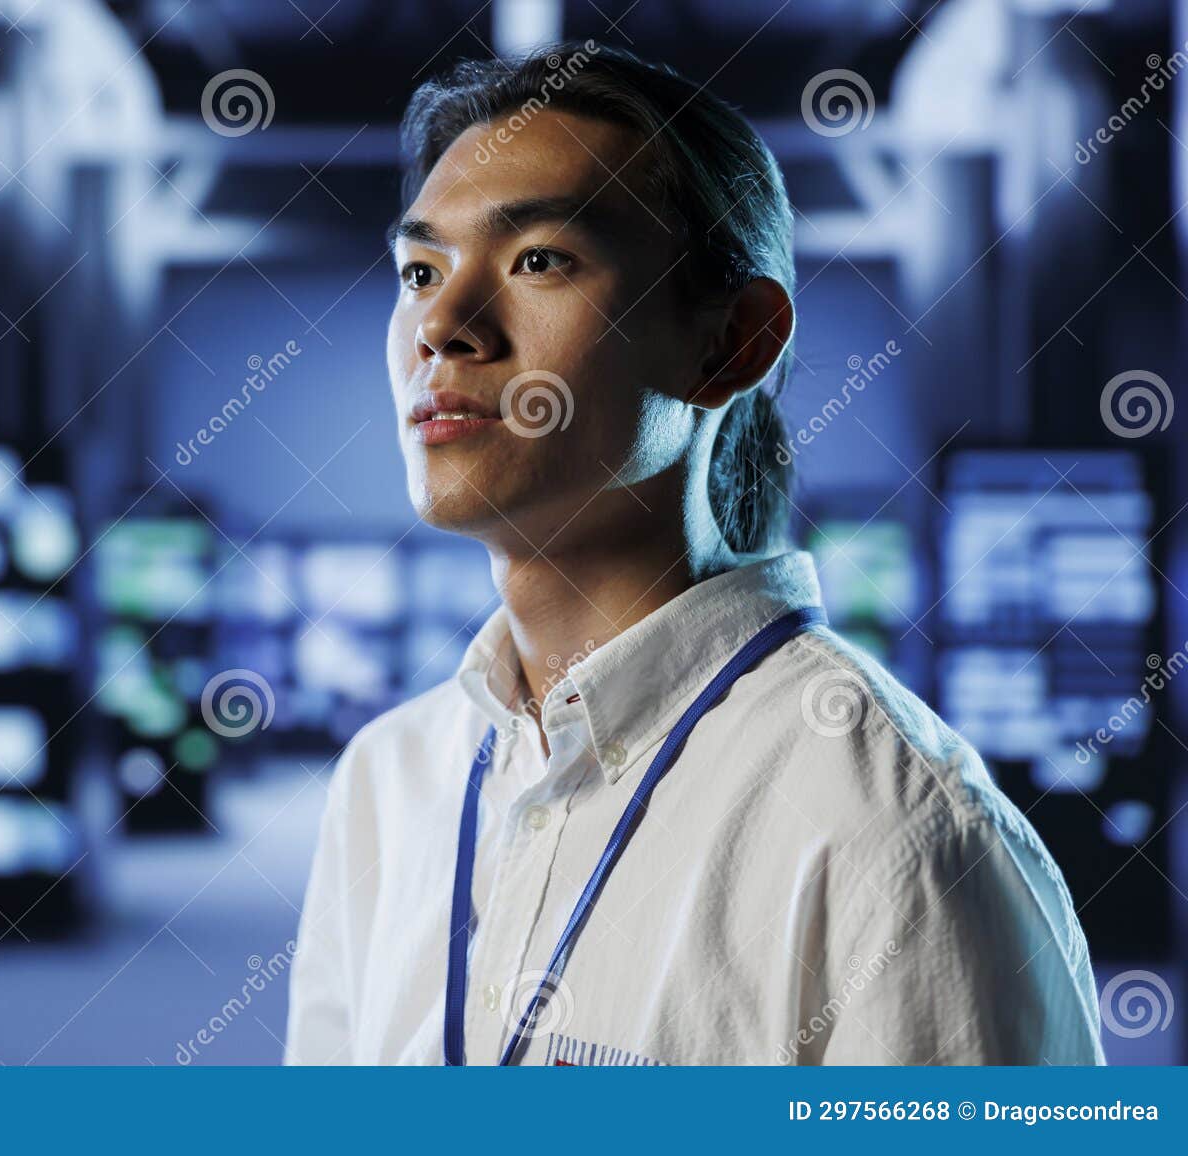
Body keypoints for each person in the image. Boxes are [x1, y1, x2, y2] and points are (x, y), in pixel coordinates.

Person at [284, 43, 1103, 1066]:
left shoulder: (893, 828)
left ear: (731, 344)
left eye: (539, 259)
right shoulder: (387, 783)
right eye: (420, 270)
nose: (441, 325)